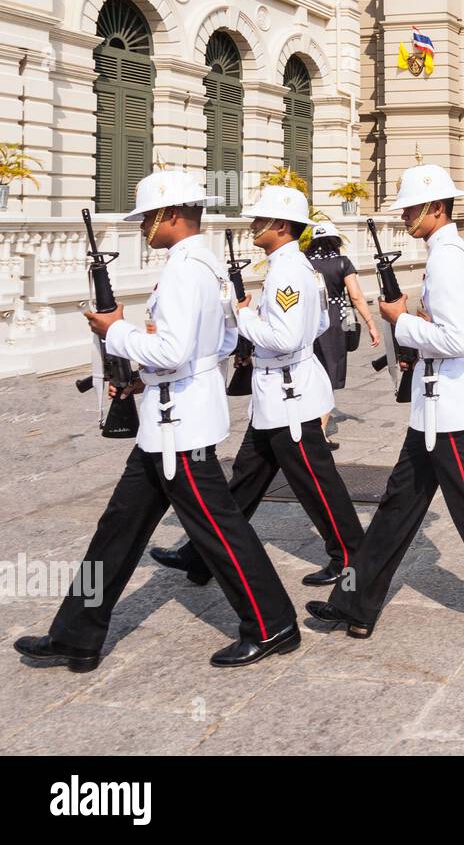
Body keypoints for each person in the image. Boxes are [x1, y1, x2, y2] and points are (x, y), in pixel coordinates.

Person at [14, 166, 299, 671]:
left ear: (170, 214)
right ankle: (76, 634)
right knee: (117, 530)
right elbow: (225, 342)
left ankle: (272, 623)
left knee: (220, 531)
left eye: (148, 216)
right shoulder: (203, 267)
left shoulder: (186, 271)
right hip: (168, 420)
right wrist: (149, 373)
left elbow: (171, 348)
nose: (145, 225)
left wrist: (115, 331)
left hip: (179, 427)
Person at [307, 156, 464, 648]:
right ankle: (354, 601)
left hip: (450, 410)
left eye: (410, 209)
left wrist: (401, 319)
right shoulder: (460, 253)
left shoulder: (445, 258)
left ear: (435, 209)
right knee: (398, 508)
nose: (403, 217)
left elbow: (460, 338)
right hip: (435, 406)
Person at [148, 187, 366, 589]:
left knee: (317, 483)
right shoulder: (293, 266)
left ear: (280, 226)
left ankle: (352, 558)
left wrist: (242, 316)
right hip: (277, 394)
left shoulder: (287, 270)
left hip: (289, 398)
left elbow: (284, 338)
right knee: (245, 481)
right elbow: (315, 325)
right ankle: (202, 556)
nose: (252, 225)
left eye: (259, 219)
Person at [304, 220, 380, 448]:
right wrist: (371, 323)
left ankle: (307, 423)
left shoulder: (305, 263)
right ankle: (320, 432)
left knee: (309, 371)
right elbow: (356, 296)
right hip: (334, 319)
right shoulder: (342, 263)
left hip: (308, 319)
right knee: (329, 373)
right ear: (335, 241)